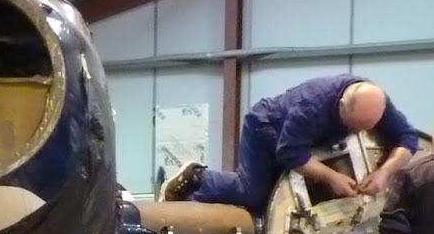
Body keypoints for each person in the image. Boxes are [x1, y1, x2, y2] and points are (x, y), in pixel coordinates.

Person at [159, 75, 420, 209]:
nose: (356, 132)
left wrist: (385, 172)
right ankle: (198, 179)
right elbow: (289, 153)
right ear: (341, 105)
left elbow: (408, 138)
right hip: (266, 127)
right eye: (352, 127)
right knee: (253, 192)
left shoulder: (376, 102)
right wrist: (332, 178)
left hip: (301, 142)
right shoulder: (314, 105)